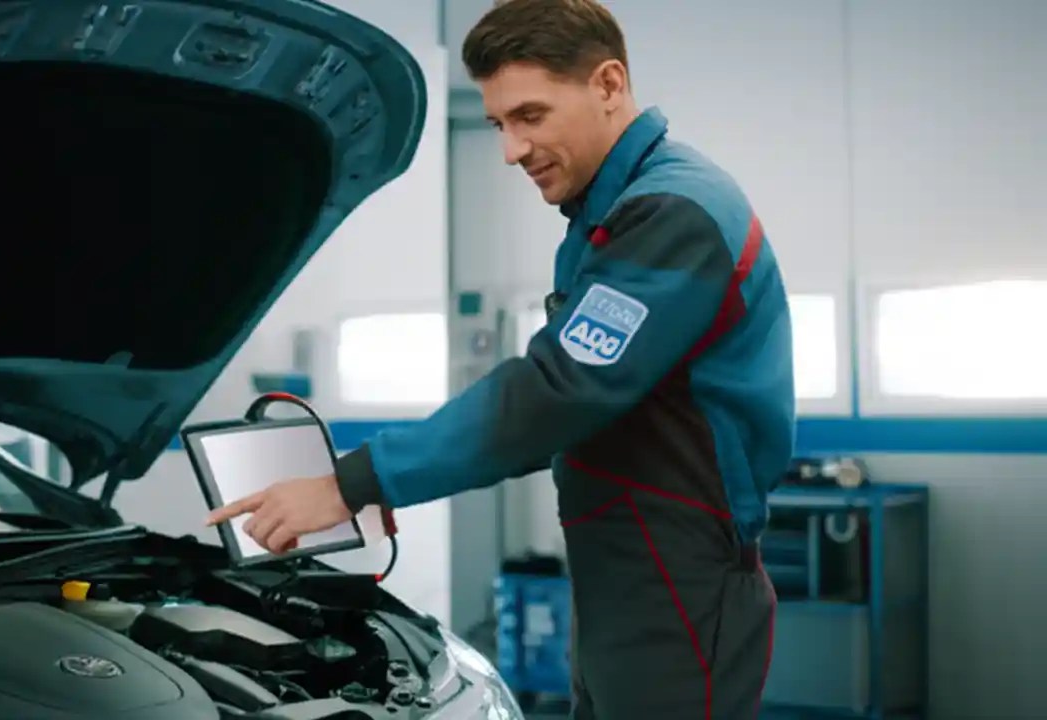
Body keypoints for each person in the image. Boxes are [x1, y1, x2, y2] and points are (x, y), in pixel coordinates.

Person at [208, 0, 795, 716]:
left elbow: (557, 391)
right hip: (631, 562)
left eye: (531, 116)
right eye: (498, 124)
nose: (511, 150)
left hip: (678, 572)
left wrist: (354, 483)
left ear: (609, 85)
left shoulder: (671, 213)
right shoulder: (614, 216)